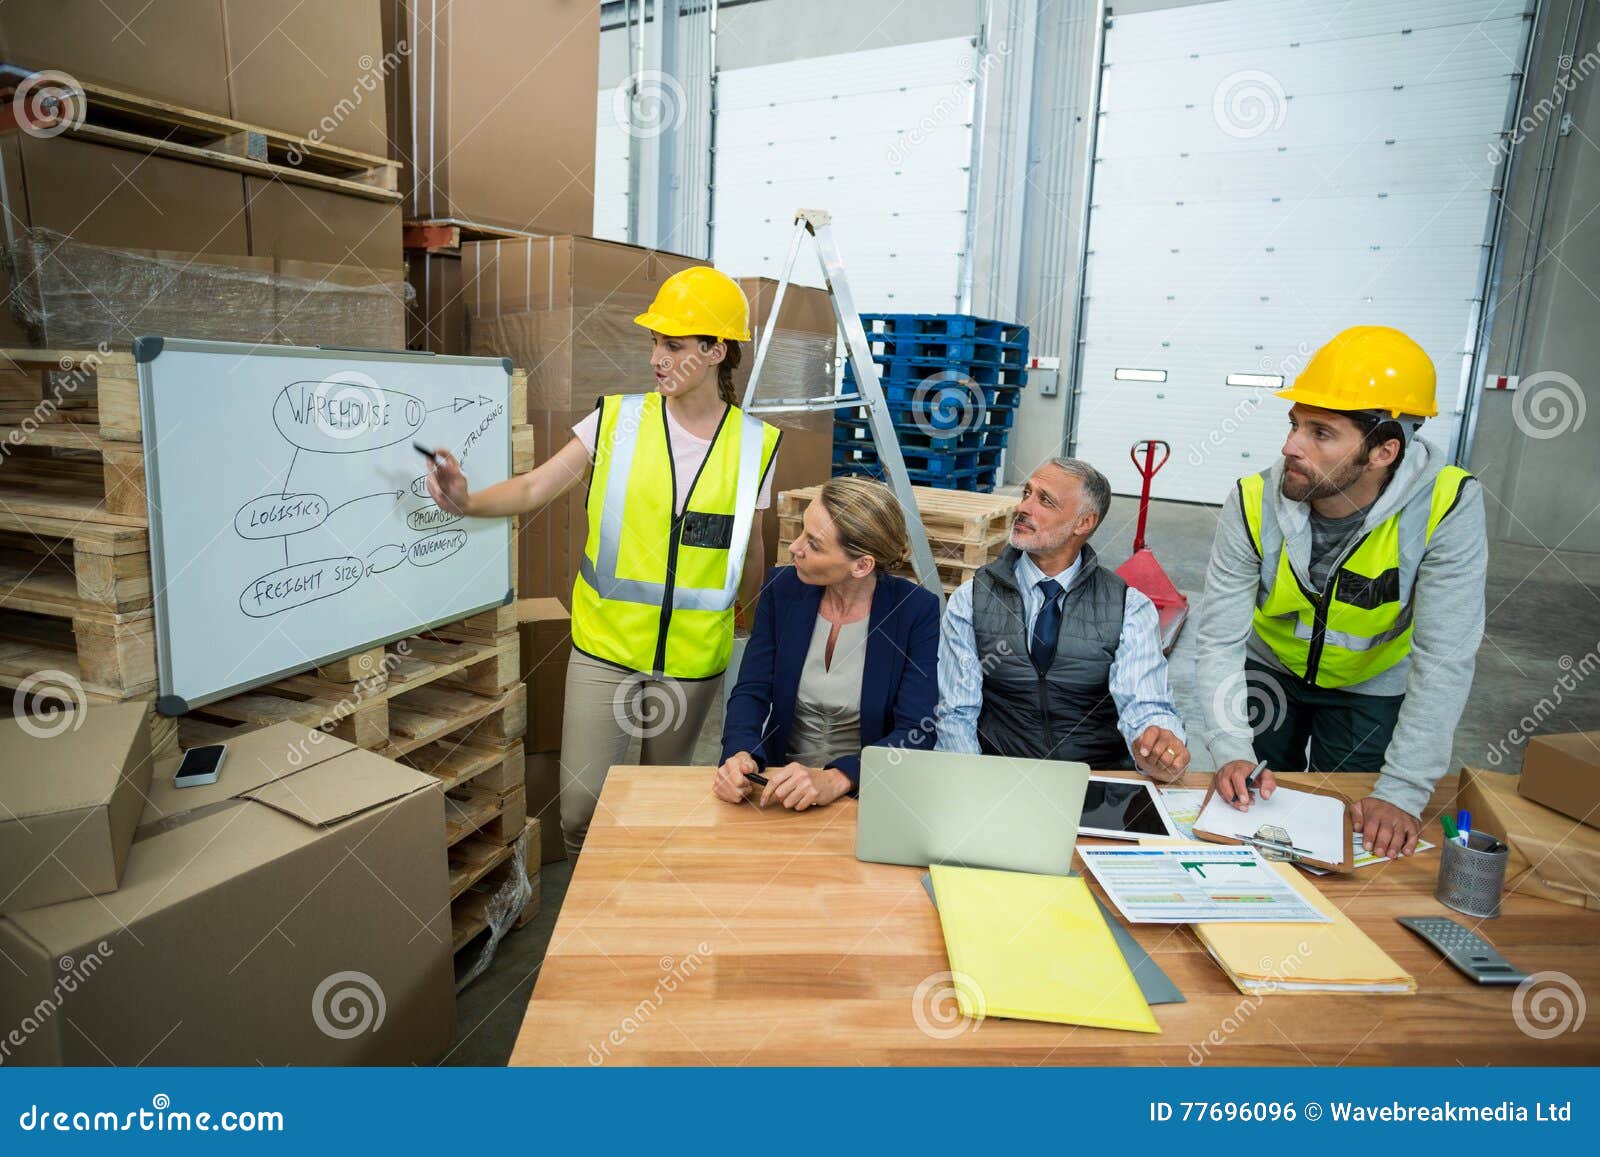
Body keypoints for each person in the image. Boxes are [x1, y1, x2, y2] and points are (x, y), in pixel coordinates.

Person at [425, 266, 782, 858]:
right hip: (605, 650)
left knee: (658, 811)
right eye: (654, 343)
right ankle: (592, 918)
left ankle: (637, 926)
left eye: (673, 345)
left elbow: (753, 548)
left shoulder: (754, 445)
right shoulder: (616, 420)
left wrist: (753, 627)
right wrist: (468, 501)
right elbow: (535, 487)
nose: (656, 358)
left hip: (693, 664)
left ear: (717, 350)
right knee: (582, 806)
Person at [1193, 325, 1487, 860]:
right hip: (1270, 673)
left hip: (1370, 687)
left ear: (1383, 451)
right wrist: (1230, 748)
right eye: (1294, 425)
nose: (1290, 447)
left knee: (1352, 836)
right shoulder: (1253, 499)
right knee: (1250, 822)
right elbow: (1216, 640)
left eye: (1320, 433)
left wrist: (1403, 790)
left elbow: (1445, 657)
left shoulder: (1447, 504)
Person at [935, 457, 1190, 777]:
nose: (1024, 507)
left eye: (1044, 500)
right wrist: (968, 786)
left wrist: (1157, 744)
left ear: (1083, 523)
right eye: (1026, 493)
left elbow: (1145, 705)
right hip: (1001, 777)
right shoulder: (971, 600)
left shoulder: (1128, 607)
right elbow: (956, 715)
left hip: (1094, 779)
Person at [715, 477, 940, 810]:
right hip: (778, 786)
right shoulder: (782, 589)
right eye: (803, 531)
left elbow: (916, 729)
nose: (795, 547)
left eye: (814, 544)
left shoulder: (915, 611)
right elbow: (751, 691)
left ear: (862, 565)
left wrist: (837, 779)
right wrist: (740, 753)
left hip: (867, 792)